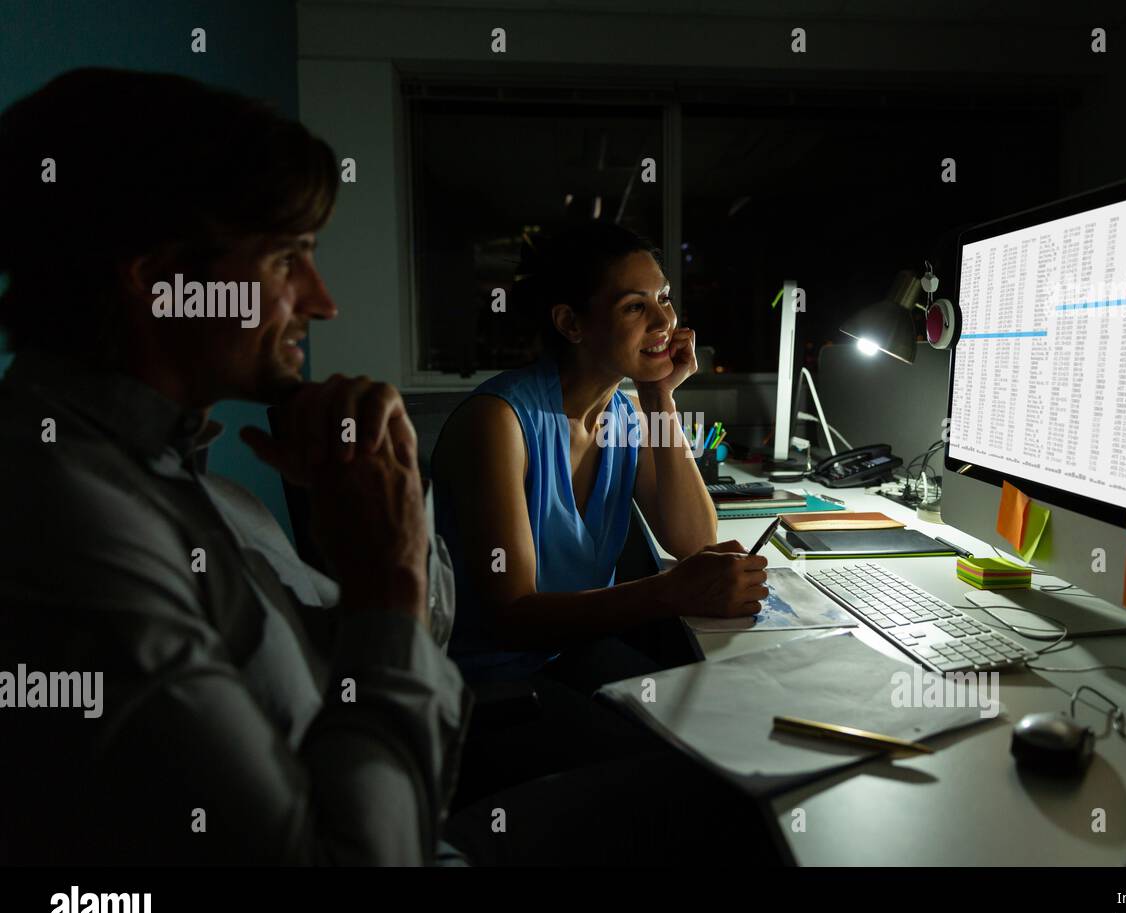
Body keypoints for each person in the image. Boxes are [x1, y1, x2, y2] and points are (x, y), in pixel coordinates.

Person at [0, 68, 468, 865]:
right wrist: (387, 578)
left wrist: (382, 519)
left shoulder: (201, 486)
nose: (322, 302)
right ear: (157, 283)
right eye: (288, 259)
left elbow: (418, 638)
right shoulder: (66, 522)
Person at [432, 221, 770, 690]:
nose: (664, 322)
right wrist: (668, 592)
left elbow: (693, 539)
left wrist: (659, 397)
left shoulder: (625, 416)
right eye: (635, 306)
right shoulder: (498, 422)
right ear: (571, 323)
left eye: (664, 298)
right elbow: (511, 619)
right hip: (493, 685)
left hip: (573, 656)